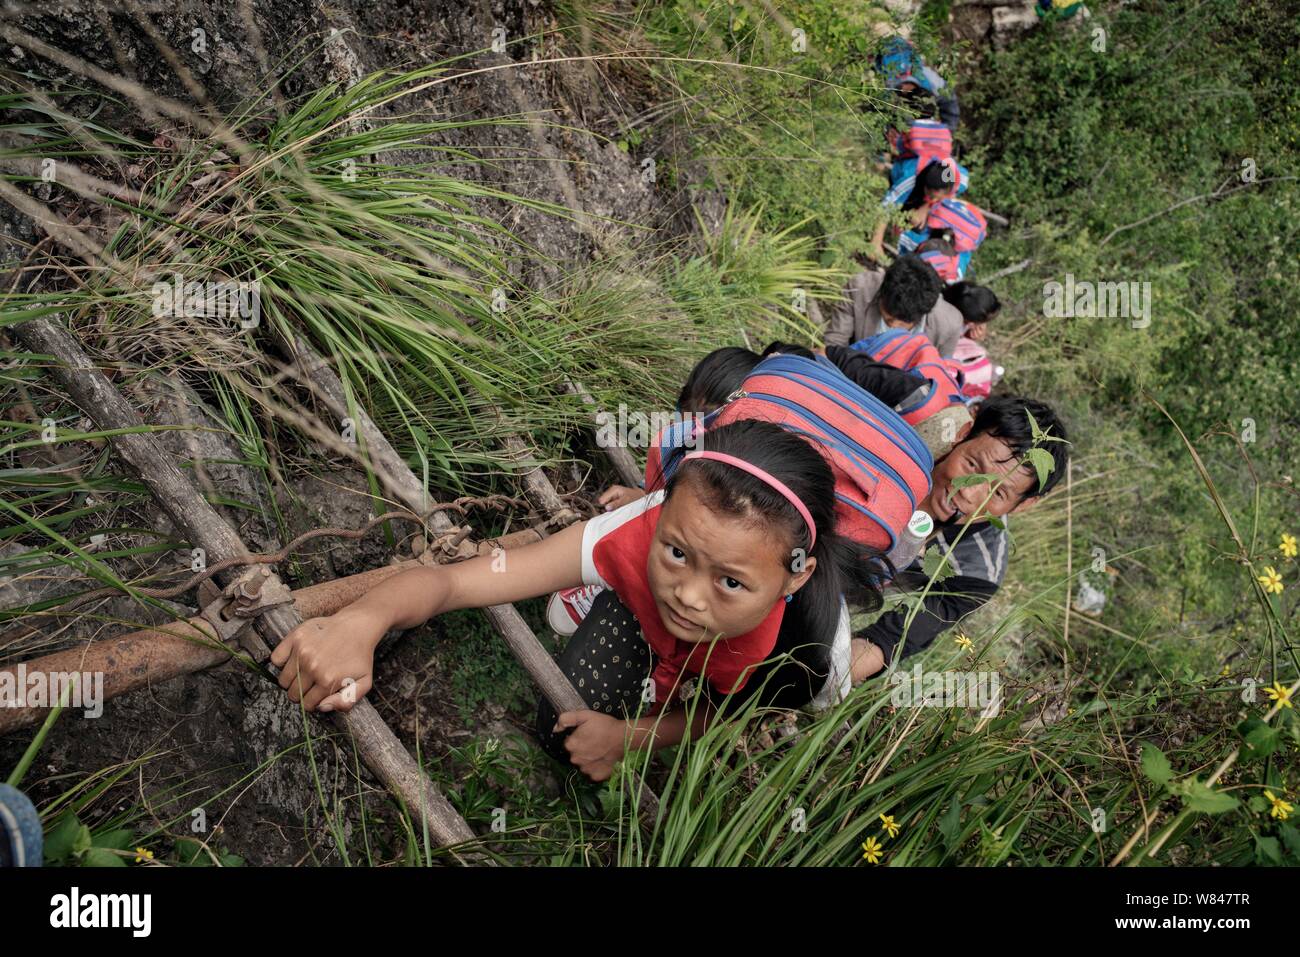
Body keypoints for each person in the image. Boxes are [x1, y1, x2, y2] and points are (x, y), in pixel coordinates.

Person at [271, 419, 882, 782]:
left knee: (750, 686)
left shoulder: (799, 651)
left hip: (761, 681)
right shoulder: (633, 533)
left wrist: (631, 737)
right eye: (676, 552)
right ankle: (642, 631)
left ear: (793, 579)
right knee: (560, 729)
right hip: (655, 610)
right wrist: (361, 620)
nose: (690, 595)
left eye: (730, 582)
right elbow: (458, 581)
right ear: (659, 511)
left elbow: (729, 712)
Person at [847, 397, 1070, 682]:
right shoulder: (914, 422)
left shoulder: (976, 571)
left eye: (998, 493)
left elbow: (887, 641)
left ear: (1024, 505)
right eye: (973, 465)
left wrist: (821, 675)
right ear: (964, 434)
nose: (969, 493)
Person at [815, 254, 965, 357]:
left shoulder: (950, 324)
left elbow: (939, 374)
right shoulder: (858, 289)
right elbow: (834, 343)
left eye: (902, 323)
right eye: (888, 318)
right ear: (882, 292)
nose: (893, 326)